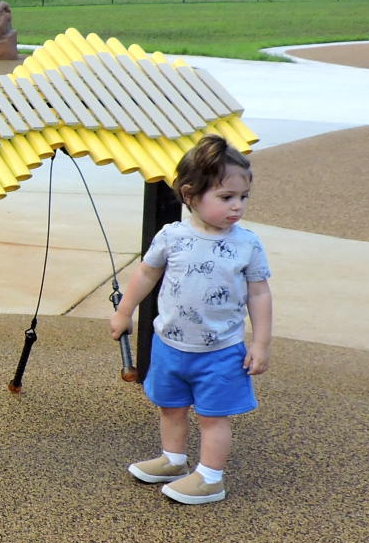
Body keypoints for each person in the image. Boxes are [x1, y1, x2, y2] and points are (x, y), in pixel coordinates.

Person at [110, 133, 272, 504]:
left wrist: (260, 344)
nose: (237, 207)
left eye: (243, 197)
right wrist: (124, 312)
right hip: (170, 344)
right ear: (190, 195)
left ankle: (211, 478)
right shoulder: (172, 236)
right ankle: (174, 459)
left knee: (213, 416)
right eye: (226, 197)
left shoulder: (247, 244)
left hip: (221, 350)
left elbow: (260, 294)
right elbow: (146, 274)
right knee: (171, 406)